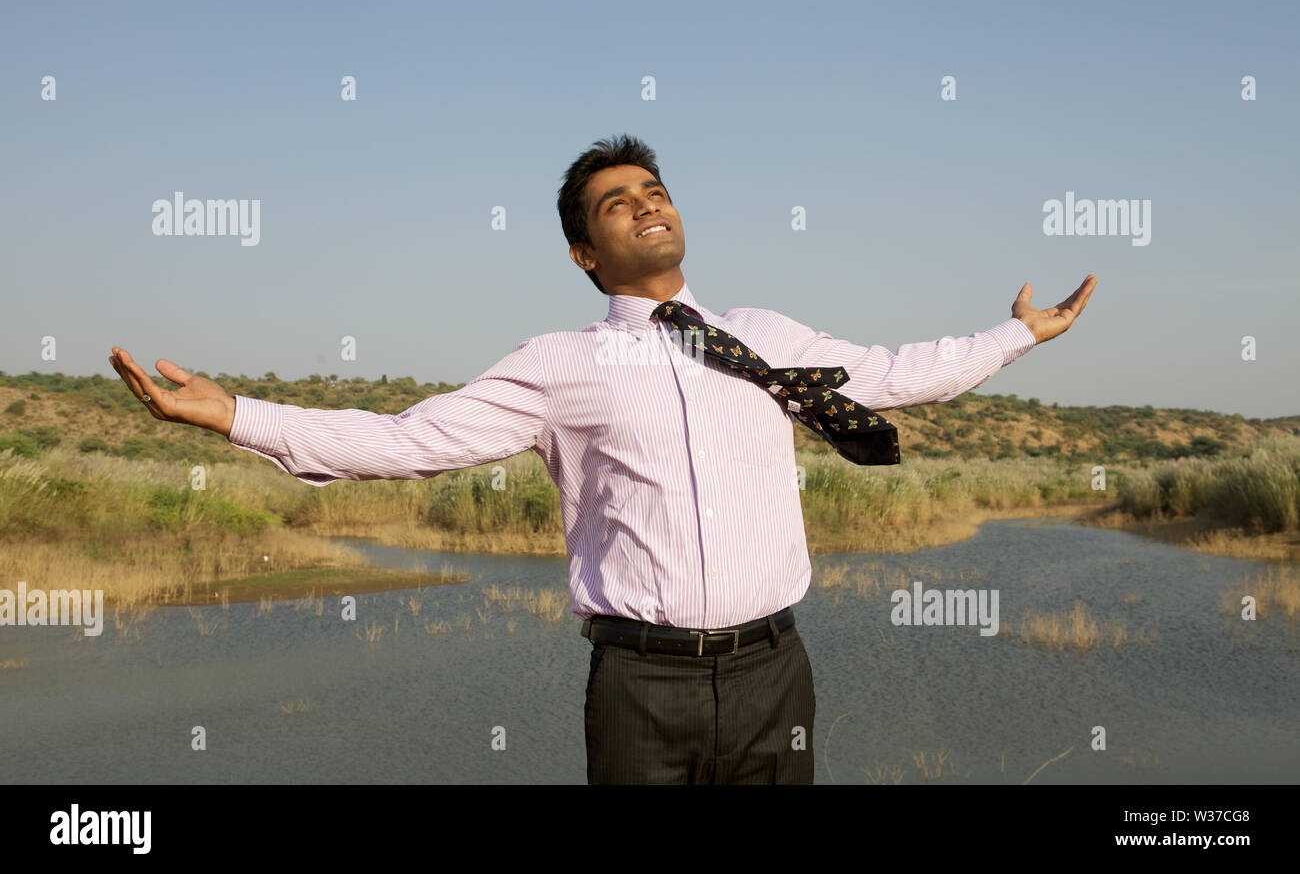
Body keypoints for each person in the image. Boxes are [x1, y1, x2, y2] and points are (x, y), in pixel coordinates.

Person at [108, 133, 1097, 784]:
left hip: (775, 671)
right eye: (615, 202)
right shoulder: (559, 366)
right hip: (641, 686)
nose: (643, 203)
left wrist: (1019, 334)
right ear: (585, 252)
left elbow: (899, 374)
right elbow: (409, 440)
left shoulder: (763, 337)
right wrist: (239, 415)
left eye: (653, 190)